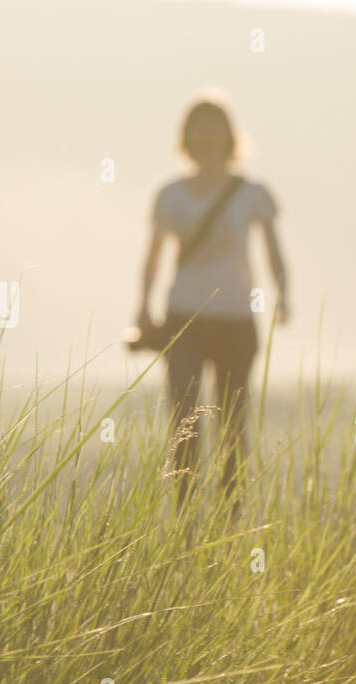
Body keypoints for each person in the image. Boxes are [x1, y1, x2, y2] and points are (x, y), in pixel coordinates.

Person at [129, 96, 288, 509]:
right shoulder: (170, 195)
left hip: (237, 320)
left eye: (213, 123)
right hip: (184, 319)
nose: (206, 132)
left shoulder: (252, 193)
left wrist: (283, 293)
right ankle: (184, 520)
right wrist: (144, 307)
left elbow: (273, 251)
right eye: (198, 124)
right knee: (185, 424)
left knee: (233, 425)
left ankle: (228, 522)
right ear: (186, 136)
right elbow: (153, 255)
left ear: (229, 134)